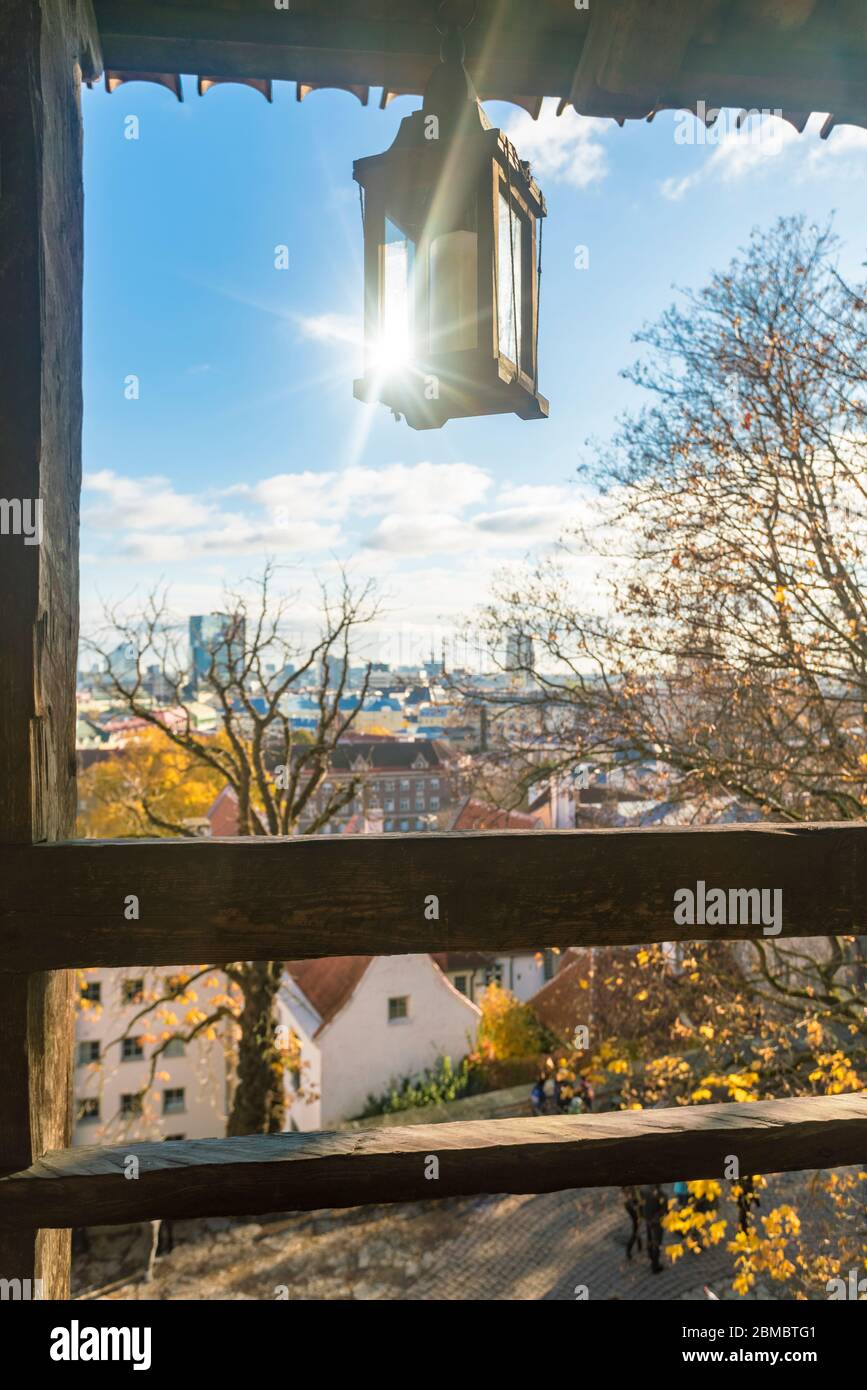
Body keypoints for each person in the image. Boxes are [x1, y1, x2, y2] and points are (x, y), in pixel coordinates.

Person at [640, 1183, 668, 1274]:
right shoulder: (662, 1196)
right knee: (656, 1243)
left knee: (649, 1239)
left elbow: (641, 1206)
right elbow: (664, 1211)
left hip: (648, 1221)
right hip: (656, 1223)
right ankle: (655, 1266)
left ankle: (650, 1255)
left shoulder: (644, 1191)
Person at [622, 1185, 642, 1260]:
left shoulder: (629, 1196)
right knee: (635, 1231)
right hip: (635, 1213)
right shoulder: (631, 1200)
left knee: (637, 1229)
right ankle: (629, 1250)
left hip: (632, 1208)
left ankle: (639, 1244)